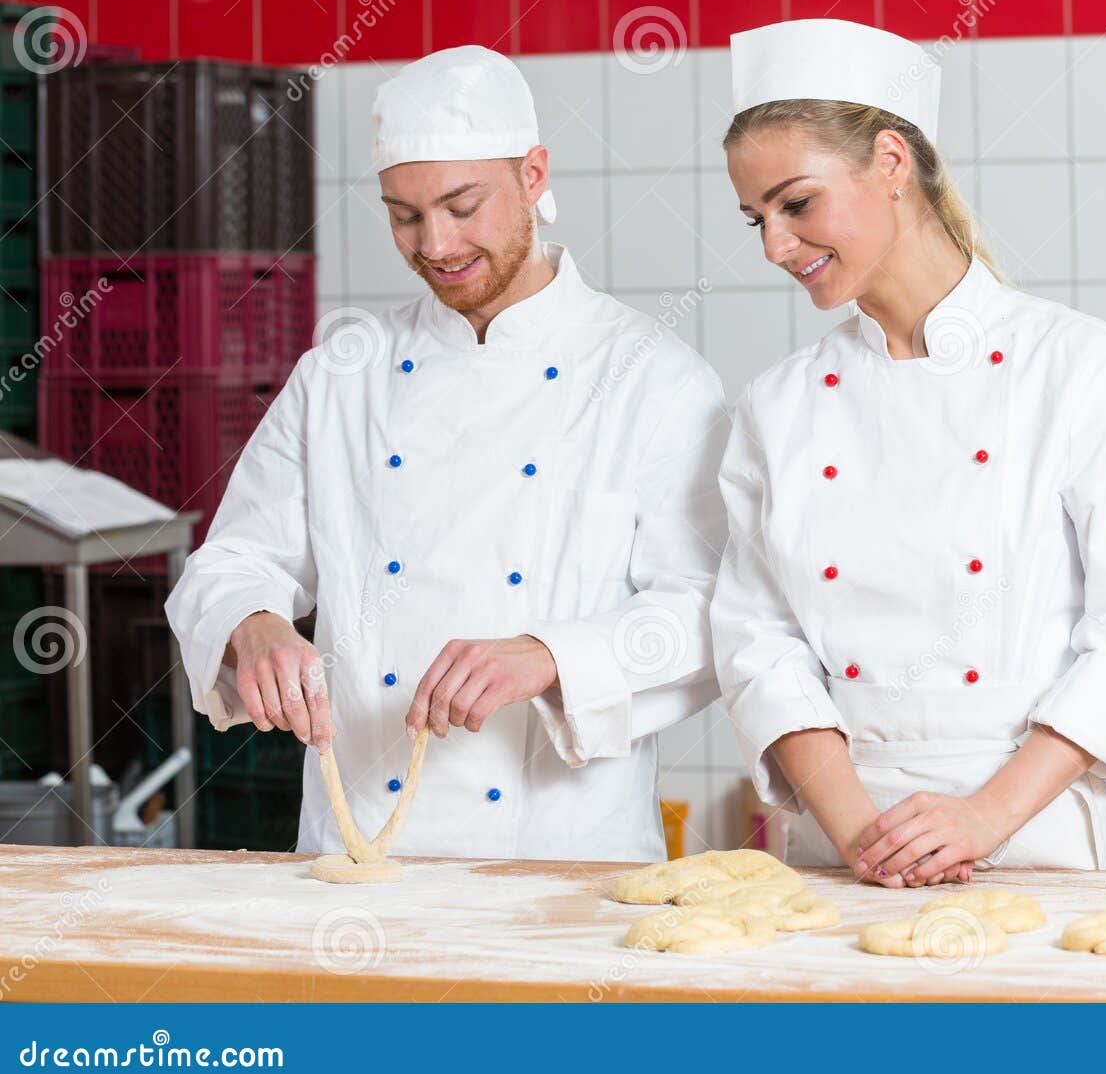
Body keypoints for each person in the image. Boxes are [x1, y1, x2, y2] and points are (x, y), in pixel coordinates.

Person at [166, 46, 728, 862]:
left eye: (464, 205)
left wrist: (547, 654)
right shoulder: (341, 373)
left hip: (562, 861)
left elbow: (708, 612)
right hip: (356, 851)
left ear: (534, 174)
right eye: (404, 214)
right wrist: (251, 624)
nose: (437, 243)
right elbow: (232, 560)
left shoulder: (652, 376)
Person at [711, 20, 1106, 887]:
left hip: (1040, 838)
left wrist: (983, 816)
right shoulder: (776, 405)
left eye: (796, 204)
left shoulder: (1073, 363)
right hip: (846, 852)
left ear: (891, 163)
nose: (775, 246)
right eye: (757, 218)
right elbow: (759, 643)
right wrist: (866, 834)